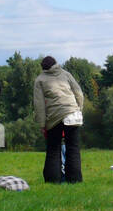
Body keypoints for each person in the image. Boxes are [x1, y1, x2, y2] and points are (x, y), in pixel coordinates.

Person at [33, 56, 84, 184]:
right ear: (55, 64)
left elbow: (39, 105)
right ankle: (75, 181)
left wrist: (42, 124)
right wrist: (78, 109)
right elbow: (79, 94)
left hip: (54, 117)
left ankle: (52, 181)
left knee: (53, 150)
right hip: (72, 114)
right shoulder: (66, 74)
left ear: (43, 68)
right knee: (73, 149)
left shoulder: (40, 80)